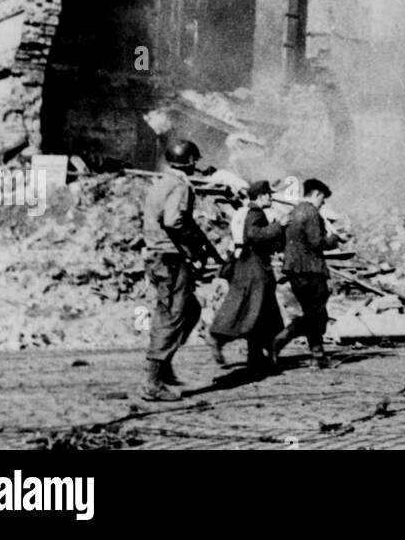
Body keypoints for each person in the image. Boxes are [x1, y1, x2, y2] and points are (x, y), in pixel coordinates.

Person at [141, 140, 219, 402]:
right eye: (194, 161)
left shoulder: (160, 183)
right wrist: (196, 248)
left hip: (158, 255)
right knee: (172, 316)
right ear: (189, 162)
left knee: (190, 309)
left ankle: (165, 366)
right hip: (170, 257)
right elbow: (174, 221)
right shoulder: (180, 185)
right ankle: (153, 382)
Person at [206, 180, 285, 377]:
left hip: (241, 264)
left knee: (255, 309)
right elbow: (254, 235)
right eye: (268, 194)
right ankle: (219, 337)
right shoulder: (256, 213)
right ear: (260, 196)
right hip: (255, 266)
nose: (271, 197)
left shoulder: (241, 212)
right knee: (254, 309)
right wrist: (278, 227)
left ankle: (256, 356)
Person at [273, 178, 340, 369]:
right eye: (323, 199)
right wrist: (333, 239)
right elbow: (316, 243)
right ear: (316, 194)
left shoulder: (293, 211)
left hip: (295, 270)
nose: (323, 203)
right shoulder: (311, 212)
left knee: (314, 312)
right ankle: (280, 340)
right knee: (316, 314)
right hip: (310, 269)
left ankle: (318, 356)